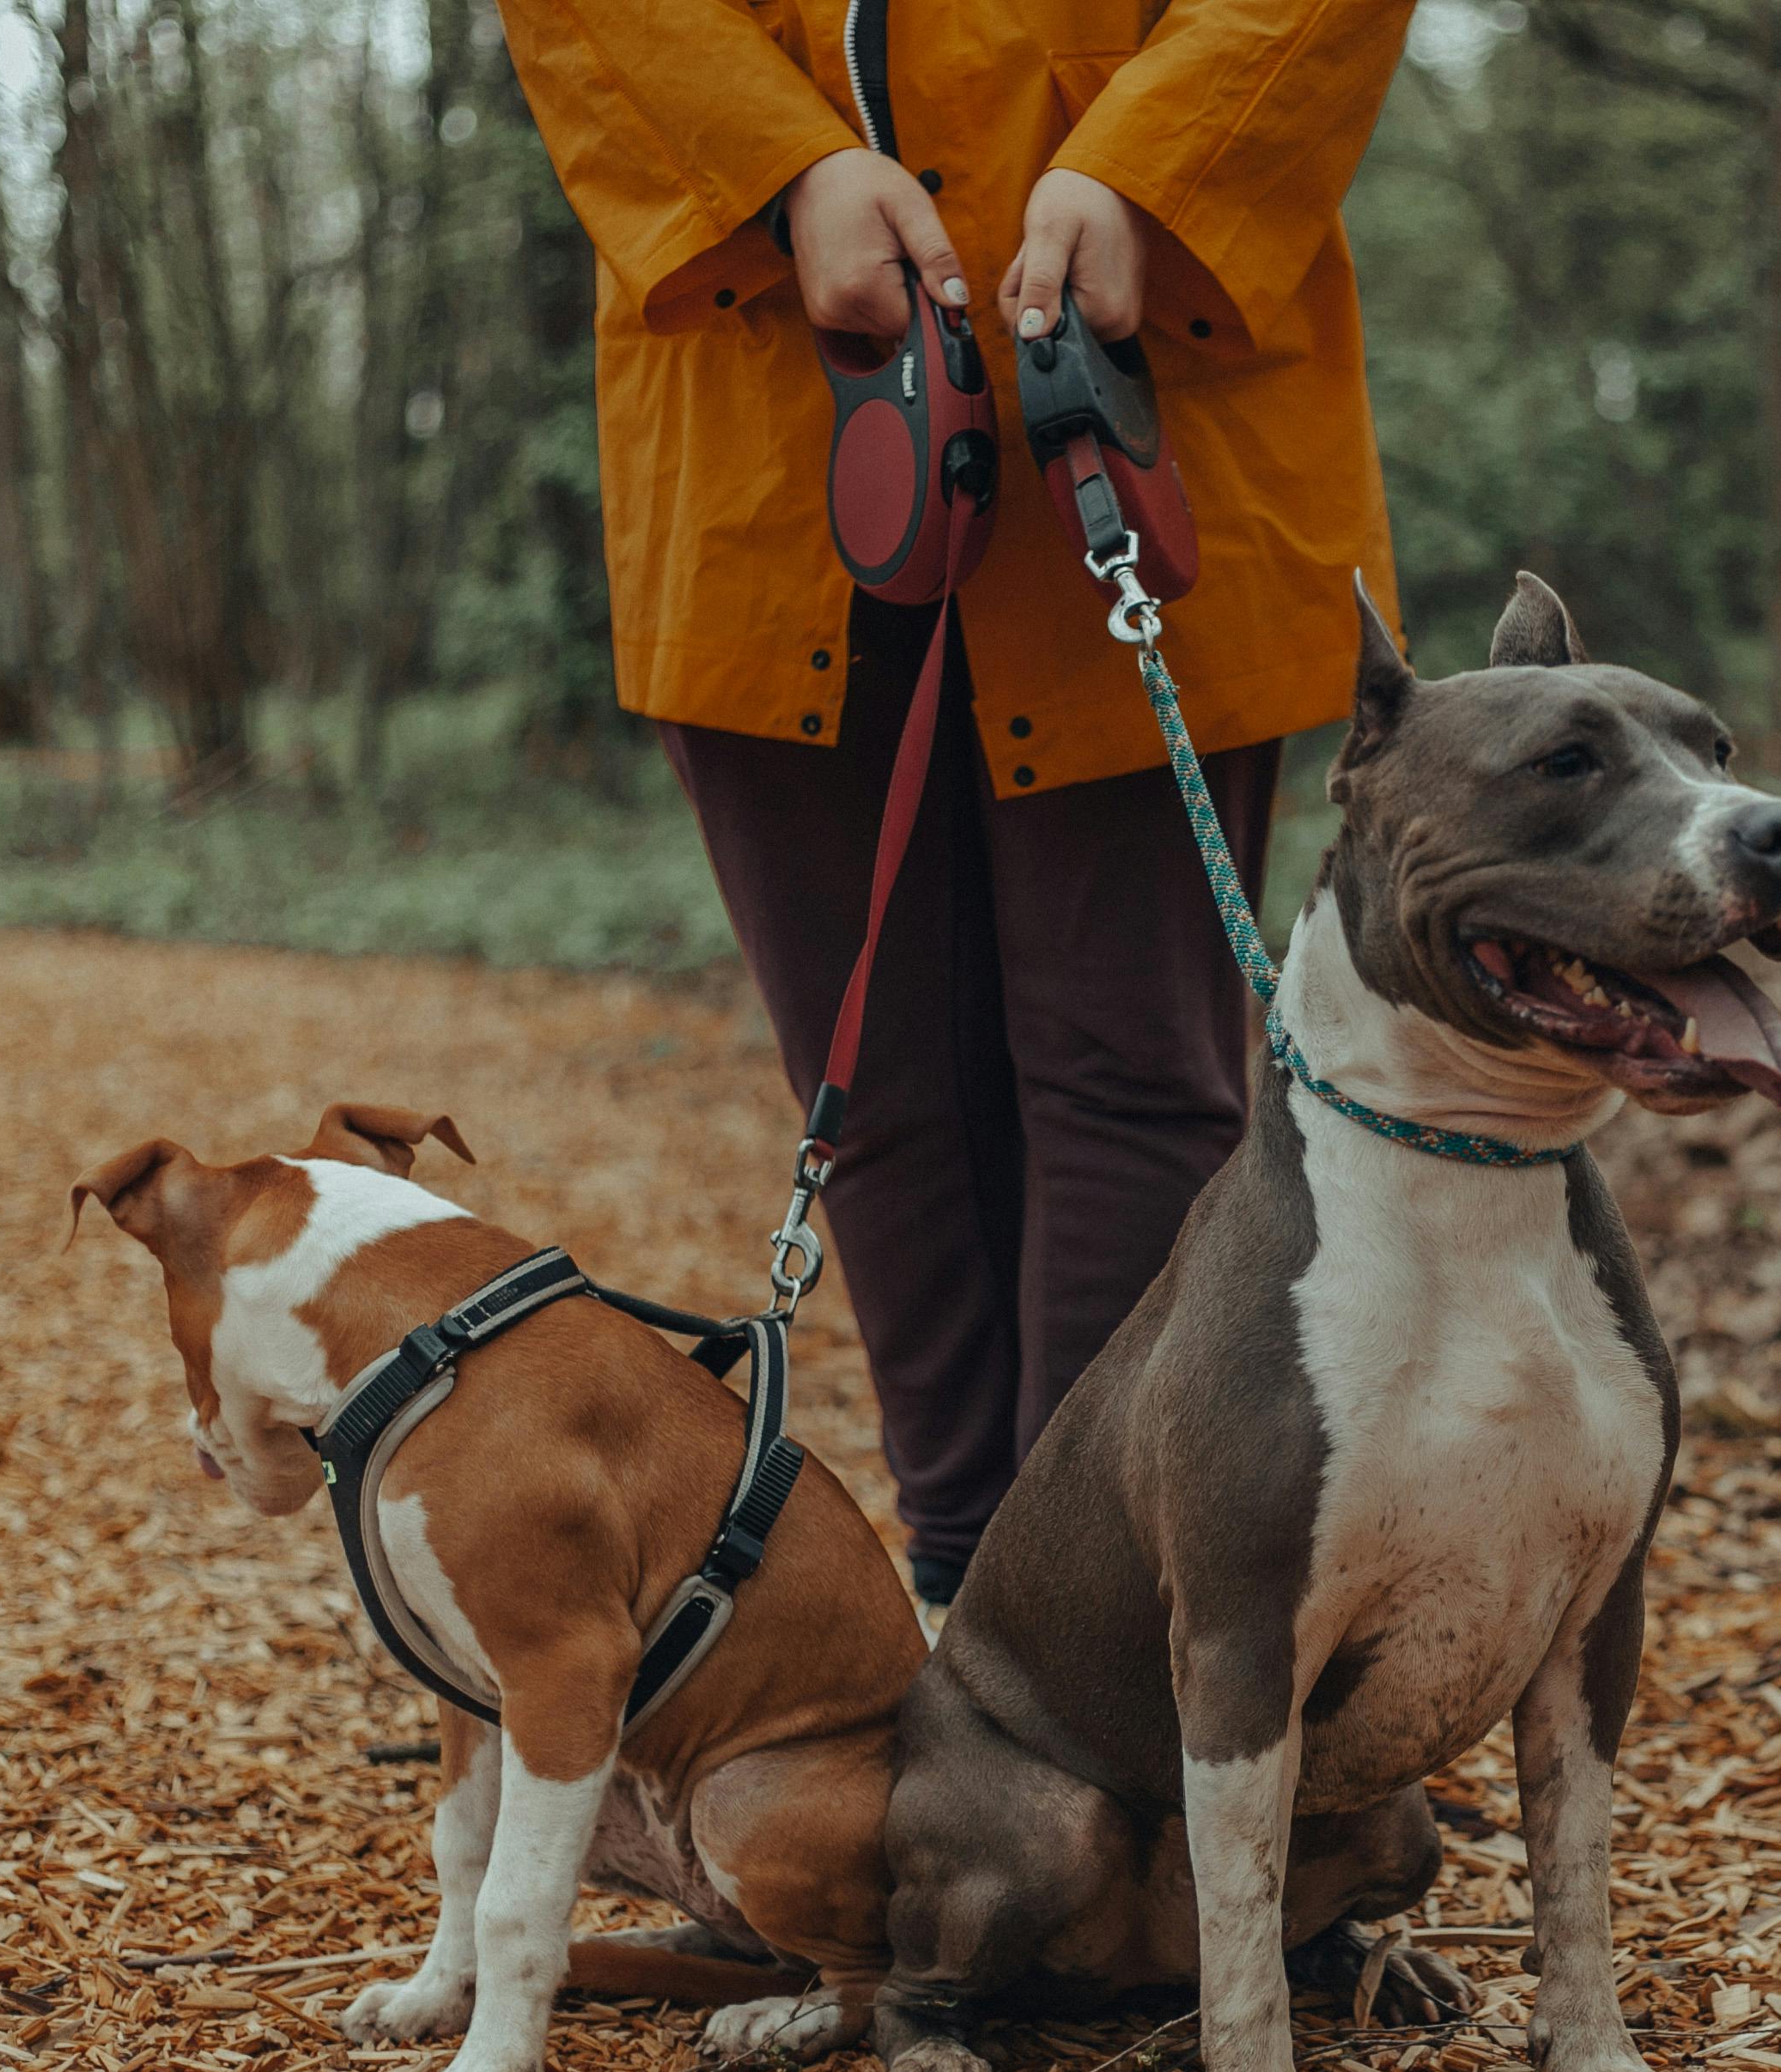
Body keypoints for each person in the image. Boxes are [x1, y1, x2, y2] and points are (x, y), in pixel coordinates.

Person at [493, 0, 1417, 1609]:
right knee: (877, 1088)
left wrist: (1151, 171)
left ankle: (1086, 1632)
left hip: (1126, 398)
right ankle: (961, 1609)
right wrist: (780, 174)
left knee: (1131, 1071)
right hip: (765, 423)